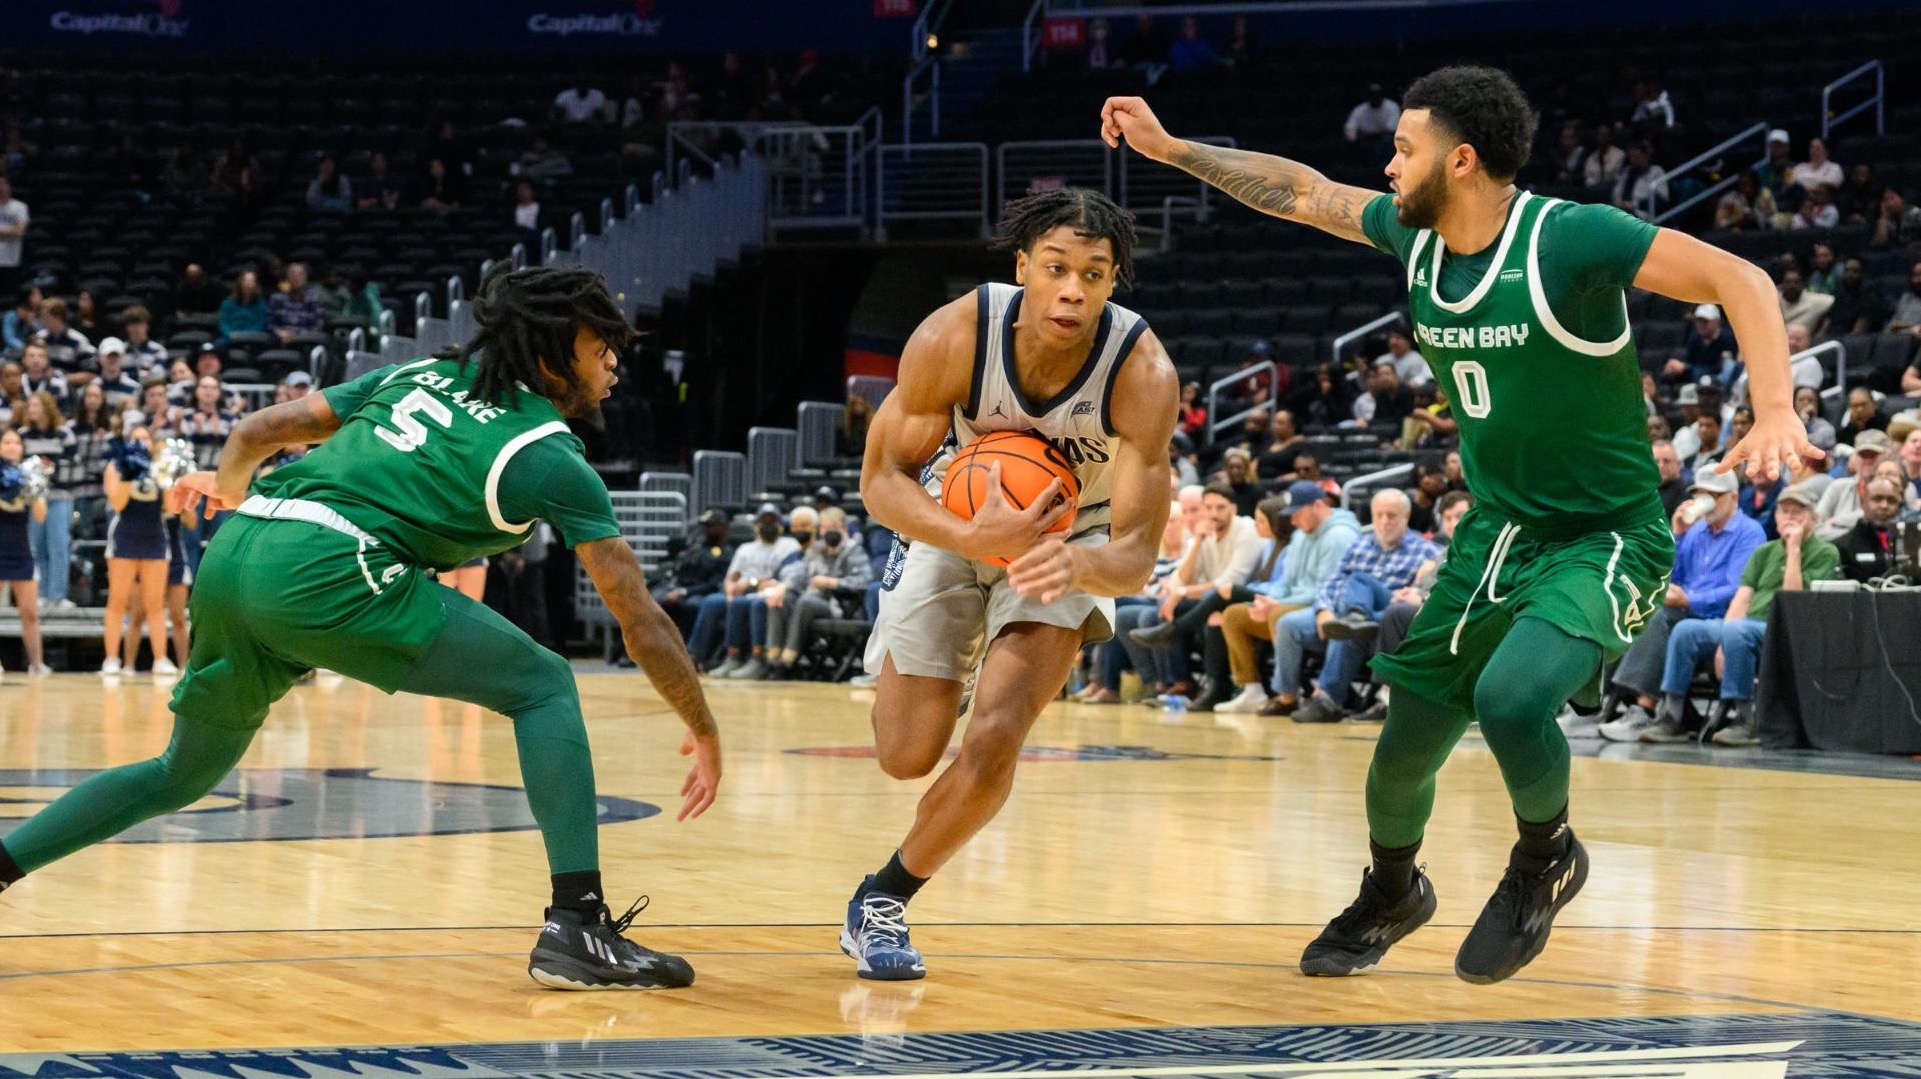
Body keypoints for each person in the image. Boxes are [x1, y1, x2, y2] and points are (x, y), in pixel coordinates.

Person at [1103, 64, 1813, 983]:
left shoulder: (1570, 239)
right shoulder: (1416, 239)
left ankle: (1544, 857)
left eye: (1404, 149)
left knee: (1512, 699)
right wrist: (1169, 149)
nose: (1388, 167)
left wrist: (1774, 406)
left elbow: (1740, 277)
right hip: (1495, 535)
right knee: (1399, 755)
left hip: (1604, 534)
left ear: (1463, 160)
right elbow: (1301, 192)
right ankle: (1393, 888)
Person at [0, 265, 723, 992]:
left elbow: (258, 429)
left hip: (239, 549)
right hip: (329, 566)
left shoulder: (417, 376)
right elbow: (639, 618)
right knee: (542, 683)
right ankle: (577, 923)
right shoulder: (545, 453)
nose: (614, 363)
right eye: (602, 347)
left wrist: (227, 492)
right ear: (550, 353)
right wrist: (704, 725)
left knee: (179, 773)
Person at [848, 187, 1176, 980]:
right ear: (1023, 265)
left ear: (1112, 282)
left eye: (1094, 275)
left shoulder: (1142, 372)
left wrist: (1077, 562)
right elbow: (880, 479)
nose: (1073, 290)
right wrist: (969, 534)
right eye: (1057, 268)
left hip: (1071, 541)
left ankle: (883, 899)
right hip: (952, 521)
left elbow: (1135, 554)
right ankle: (951, 660)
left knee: (996, 735)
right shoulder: (955, 333)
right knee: (905, 754)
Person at [1656, 485, 1838, 748]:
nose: (1789, 518)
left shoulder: (1825, 552)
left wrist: (1795, 550)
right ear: (1775, 517)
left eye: (1798, 513)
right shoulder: (1764, 552)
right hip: (1746, 623)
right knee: (1686, 630)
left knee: (1735, 632)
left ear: (1813, 518)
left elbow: (1792, 602)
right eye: (1784, 511)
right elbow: (1742, 597)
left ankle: (1746, 718)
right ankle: (1672, 716)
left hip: (1784, 630)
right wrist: (1722, 645)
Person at [1596, 468, 1765, 742]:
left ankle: (1643, 709)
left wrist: (1689, 599)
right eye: (1700, 494)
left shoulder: (1750, 533)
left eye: (1713, 495)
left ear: (1733, 497)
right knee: (1631, 611)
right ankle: (1601, 702)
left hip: (1723, 616)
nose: (1705, 500)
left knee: (1660, 617)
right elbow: (1674, 577)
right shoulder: (1696, 531)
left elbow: (1738, 588)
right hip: (1684, 612)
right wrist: (1677, 535)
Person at [1284, 488, 1441, 723]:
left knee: (1358, 584)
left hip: (1390, 612)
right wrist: (1323, 609)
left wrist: (1415, 592)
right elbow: (1332, 582)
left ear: (1406, 517)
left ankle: (1328, 698)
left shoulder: (1427, 550)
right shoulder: (1358, 545)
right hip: (1354, 613)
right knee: (1347, 625)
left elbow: (1429, 592)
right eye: (1379, 515)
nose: (1384, 521)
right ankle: (1328, 696)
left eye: (1392, 515)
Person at [1213, 481, 1362, 714]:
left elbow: (1326, 590)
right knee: (1234, 615)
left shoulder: (1339, 536)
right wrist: (1265, 598)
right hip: (1293, 602)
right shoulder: (1301, 535)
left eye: (1298, 514)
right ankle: (1251, 690)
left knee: (1281, 617)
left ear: (1318, 505)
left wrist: (1278, 604)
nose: (1293, 521)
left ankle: (1287, 696)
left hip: (1325, 608)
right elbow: (1286, 583)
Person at [690, 502, 801, 676]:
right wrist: (729, 593)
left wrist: (753, 582)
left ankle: (756, 659)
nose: (768, 525)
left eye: (772, 521)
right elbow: (731, 578)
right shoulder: (745, 548)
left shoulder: (789, 545)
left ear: (780, 524)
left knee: (743, 603)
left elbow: (782, 578)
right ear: (756, 524)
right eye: (764, 521)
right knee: (711, 601)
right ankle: (697, 656)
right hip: (743, 593)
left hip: (767, 592)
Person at [100, 426, 174, 676]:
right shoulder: (116, 466)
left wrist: (169, 476)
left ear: (152, 443)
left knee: (155, 604)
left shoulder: (160, 465)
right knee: (117, 601)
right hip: (124, 539)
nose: (141, 442)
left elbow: (172, 508)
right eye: (136, 439)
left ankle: (160, 659)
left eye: (145, 438)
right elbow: (117, 503)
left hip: (154, 538)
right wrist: (130, 474)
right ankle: (111, 659)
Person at [764, 505, 871, 676]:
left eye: (833, 527)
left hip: (840, 606)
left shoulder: (854, 551)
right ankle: (772, 656)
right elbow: (799, 574)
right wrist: (782, 587)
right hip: (810, 602)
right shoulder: (816, 549)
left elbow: (864, 581)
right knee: (780, 598)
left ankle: (788, 658)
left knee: (805, 602)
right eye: (824, 527)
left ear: (843, 528)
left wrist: (832, 582)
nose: (827, 531)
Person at [0, 429, 49, 674]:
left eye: (16, 442)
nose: (11, 446)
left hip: (20, 548)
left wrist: (35, 488)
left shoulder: (29, 473)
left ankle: (37, 664)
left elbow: (40, 516)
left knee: (29, 612)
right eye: (6, 442)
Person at [652, 508, 734, 637]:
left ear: (722, 528)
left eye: (711, 526)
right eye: (705, 526)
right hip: (677, 586)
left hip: (701, 592)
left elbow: (713, 584)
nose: (707, 529)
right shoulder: (694, 546)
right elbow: (678, 570)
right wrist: (673, 589)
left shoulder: (726, 553)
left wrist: (684, 592)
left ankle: (686, 647)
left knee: (692, 605)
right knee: (651, 601)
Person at [1834, 477, 1905, 583]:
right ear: (1863, 502)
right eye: (1877, 499)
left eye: (1891, 501)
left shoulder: (1911, 544)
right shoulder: (1843, 547)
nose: (1884, 506)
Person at [218, 271, 270, 339]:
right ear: (239, 284)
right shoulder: (227, 303)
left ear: (256, 285)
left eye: (251, 281)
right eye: (245, 280)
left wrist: (245, 336)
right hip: (230, 336)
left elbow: (260, 324)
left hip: (253, 338)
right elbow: (223, 323)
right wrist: (230, 334)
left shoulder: (261, 304)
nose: (248, 283)